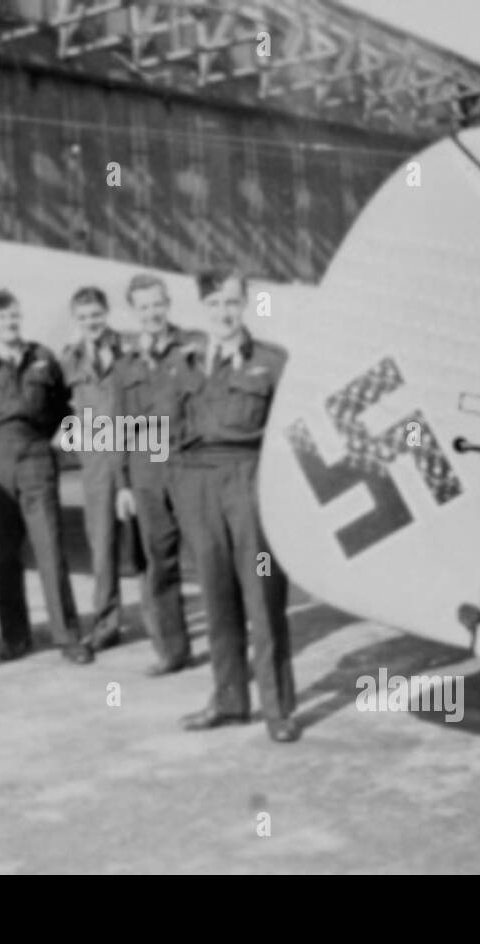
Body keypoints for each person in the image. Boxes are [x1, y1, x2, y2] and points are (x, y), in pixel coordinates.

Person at [173, 269, 300, 743]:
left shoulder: (272, 361)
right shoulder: (184, 362)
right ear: (202, 309)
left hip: (250, 484)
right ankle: (228, 700)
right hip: (198, 486)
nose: (223, 313)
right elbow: (168, 430)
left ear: (244, 304)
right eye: (214, 305)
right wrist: (180, 493)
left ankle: (277, 708)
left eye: (231, 303)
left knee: (263, 598)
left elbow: (290, 432)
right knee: (216, 596)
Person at [0, 288, 87, 664]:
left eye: (14, 316)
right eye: (2, 318)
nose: (10, 323)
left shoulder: (43, 358)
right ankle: (15, 636)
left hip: (36, 455)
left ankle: (67, 635)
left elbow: (64, 408)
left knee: (49, 546)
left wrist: (56, 437)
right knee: (1, 552)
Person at [112, 273, 200, 676]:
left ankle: (226, 641)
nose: (151, 313)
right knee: (158, 563)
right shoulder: (125, 363)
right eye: (143, 307)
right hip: (146, 470)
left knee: (210, 556)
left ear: (168, 304)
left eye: (157, 304)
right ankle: (172, 650)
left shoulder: (193, 348)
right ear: (134, 311)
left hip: (187, 465)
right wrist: (123, 485)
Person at [59, 286, 138, 654]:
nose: (91, 322)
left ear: (107, 313)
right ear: (76, 319)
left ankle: (162, 622)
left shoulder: (130, 350)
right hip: (96, 461)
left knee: (147, 542)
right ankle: (107, 623)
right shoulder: (70, 360)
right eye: (84, 317)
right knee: (102, 544)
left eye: (96, 315)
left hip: (137, 453)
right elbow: (59, 408)